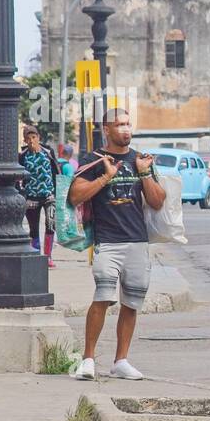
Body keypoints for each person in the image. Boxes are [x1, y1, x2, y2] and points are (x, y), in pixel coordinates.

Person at [66, 108, 166, 381]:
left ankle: (121, 360)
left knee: (132, 302)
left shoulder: (140, 160)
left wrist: (145, 174)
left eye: (128, 123)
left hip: (136, 240)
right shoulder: (94, 160)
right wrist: (105, 176)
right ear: (106, 130)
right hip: (107, 241)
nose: (125, 129)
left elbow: (158, 201)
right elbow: (75, 196)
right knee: (103, 297)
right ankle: (88, 359)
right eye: (119, 124)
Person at [18, 125, 61, 269]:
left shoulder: (48, 151)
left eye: (33, 137)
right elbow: (19, 177)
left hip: (49, 194)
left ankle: (48, 256)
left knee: (51, 224)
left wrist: (56, 190)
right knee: (33, 227)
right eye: (28, 139)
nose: (31, 141)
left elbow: (56, 170)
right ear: (24, 140)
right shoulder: (23, 155)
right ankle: (36, 254)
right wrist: (23, 194)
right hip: (32, 196)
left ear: (38, 138)